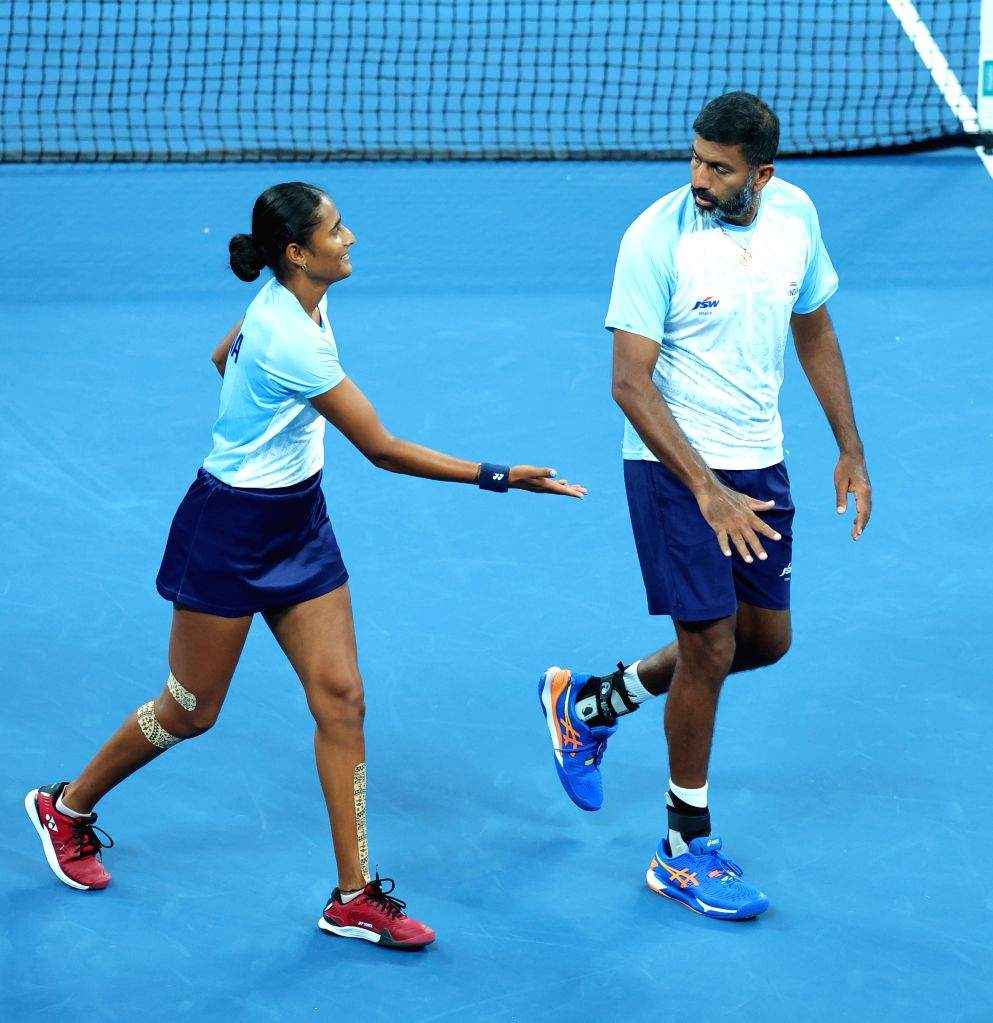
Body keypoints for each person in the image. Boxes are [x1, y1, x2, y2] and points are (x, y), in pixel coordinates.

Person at [26, 181, 586, 951]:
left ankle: (354, 895)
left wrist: (260, 424)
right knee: (191, 708)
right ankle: (68, 806)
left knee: (342, 699)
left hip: (298, 523)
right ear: (297, 253)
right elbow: (383, 449)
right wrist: (501, 474)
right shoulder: (291, 335)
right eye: (335, 230)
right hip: (227, 532)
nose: (350, 237)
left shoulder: (300, 302)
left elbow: (224, 355)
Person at [537, 92, 871, 920]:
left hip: (760, 458)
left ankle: (586, 703)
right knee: (710, 641)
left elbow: (814, 328)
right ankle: (683, 847)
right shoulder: (653, 240)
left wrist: (849, 446)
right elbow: (627, 382)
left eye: (718, 168)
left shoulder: (795, 215)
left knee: (763, 639)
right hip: (670, 466)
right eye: (693, 159)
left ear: (761, 172)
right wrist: (706, 489)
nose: (698, 178)